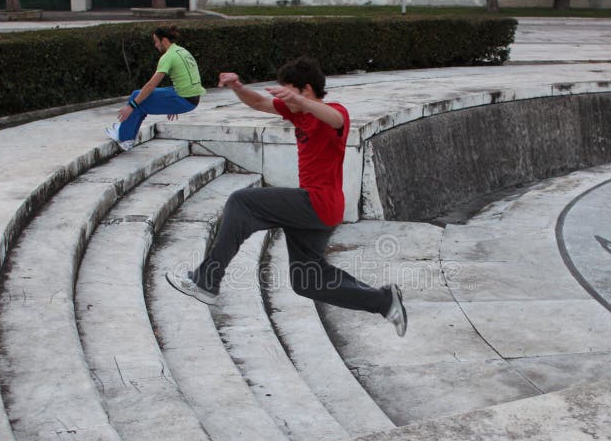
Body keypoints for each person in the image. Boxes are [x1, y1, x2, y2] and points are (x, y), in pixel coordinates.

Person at [166, 57, 407, 337]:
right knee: (308, 281)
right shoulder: (297, 111)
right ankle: (384, 301)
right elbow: (258, 103)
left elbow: (338, 119)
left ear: (305, 90)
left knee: (242, 201)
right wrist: (237, 86)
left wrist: (301, 102)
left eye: (289, 92)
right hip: (319, 210)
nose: (285, 101)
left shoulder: (331, 113)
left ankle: (207, 280)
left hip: (318, 204)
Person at [105, 25, 205, 152]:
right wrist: (172, 105)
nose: (156, 45)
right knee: (139, 96)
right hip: (190, 97)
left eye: (156, 41)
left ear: (164, 40)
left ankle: (125, 138)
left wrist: (130, 106)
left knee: (137, 98)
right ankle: (127, 132)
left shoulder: (168, 56)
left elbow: (151, 85)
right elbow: (191, 77)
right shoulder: (182, 51)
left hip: (183, 99)